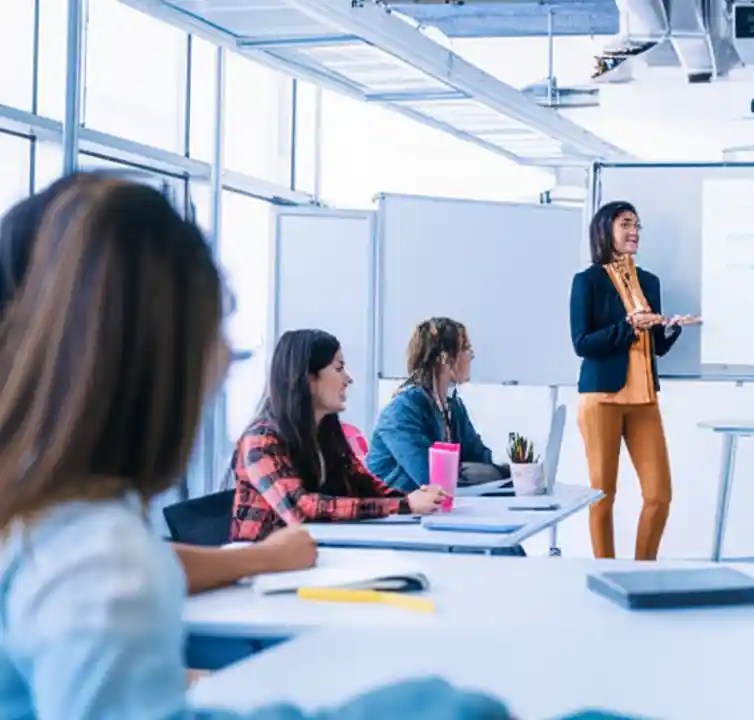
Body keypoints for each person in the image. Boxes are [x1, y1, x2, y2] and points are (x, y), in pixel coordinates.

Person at [0, 178, 510, 719]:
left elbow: (147, 563)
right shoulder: (97, 554)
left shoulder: (55, 519)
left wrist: (268, 557)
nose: (226, 360)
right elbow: (117, 572)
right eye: (218, 328)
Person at [0, 174, 317, 595]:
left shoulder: (57, 503)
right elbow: (106, 568)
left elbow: (111, 562)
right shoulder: (91, 548)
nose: (224, 358)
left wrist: (263, 558)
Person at [570, 200, 699, 560]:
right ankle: (604, 569)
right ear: (605, 230)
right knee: (602, 494)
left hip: (644, 400)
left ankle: (642, 568)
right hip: (602, 398)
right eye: (626, 224)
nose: (634, 232)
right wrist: (627, 327)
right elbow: (582, 344)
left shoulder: (650, 282)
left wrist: (670, 327)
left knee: (659, 495)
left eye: (638, 226)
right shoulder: (588, 282)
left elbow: (655, 347)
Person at [229, 330, 446, 542]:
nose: (348, 379)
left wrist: (419, 497)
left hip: (317, 552)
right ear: (308, 378)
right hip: (263, 566)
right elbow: (299, 509)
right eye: (339, 368)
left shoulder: (325, 432)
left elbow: (364, 483)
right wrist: (405, 504)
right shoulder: (260, 440)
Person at [366, 317, 508, 493]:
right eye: (465, 348)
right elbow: (432, 479)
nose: (471, 355)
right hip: (396, 514)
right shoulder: (402, 411)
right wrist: (476, 472)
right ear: (444, 358)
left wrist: (511, 473)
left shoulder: (453, 408)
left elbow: (481, 458)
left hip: (431, 512)